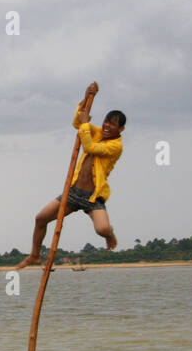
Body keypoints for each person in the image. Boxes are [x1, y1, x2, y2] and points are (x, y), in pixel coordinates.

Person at [13, 82, 126, 269]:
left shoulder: (116, 146)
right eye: (106, 121)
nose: (107, 126)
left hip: (92, 196)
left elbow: (89, 146)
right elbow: (78, 123)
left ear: (120, 129)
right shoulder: (98, 132)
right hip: (73, 192)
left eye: (113, 125)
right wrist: (86, 98)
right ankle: (34, 255)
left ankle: (110, 234)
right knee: (40, 218)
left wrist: (84, 124)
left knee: (102, 229)